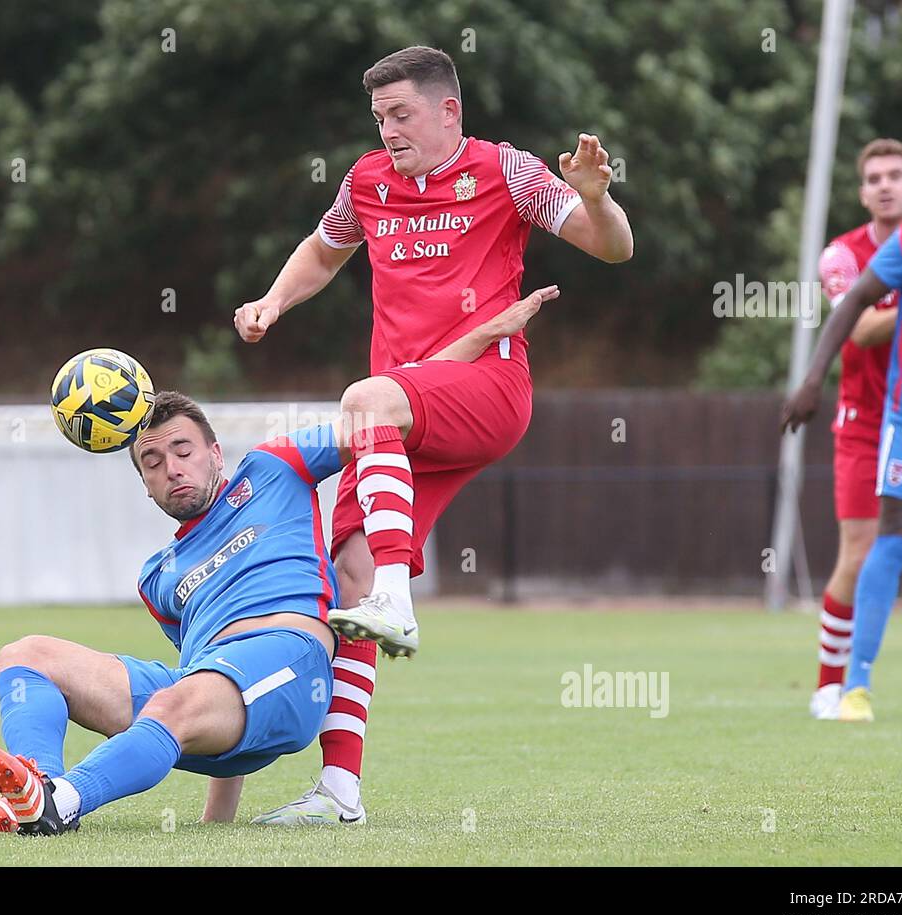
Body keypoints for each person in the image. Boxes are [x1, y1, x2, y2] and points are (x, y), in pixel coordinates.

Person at [235, 45, 632, 824]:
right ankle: (339, 791)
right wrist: (273, 302)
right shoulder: (366, 183)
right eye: (380, 117)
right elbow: (323, 251)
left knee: (365, 406)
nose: (388, 131)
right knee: (346, 576)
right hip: (393, 423)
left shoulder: (507, 172)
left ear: (449, 110)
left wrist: (598, 199)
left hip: (483, 388)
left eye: (402, 114)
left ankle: (398, 595)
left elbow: (611, 246)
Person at [0, 391, 354, 833]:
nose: (172, 468)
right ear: (144, 483)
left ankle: (59, 802)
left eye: (183, 451)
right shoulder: (158, 576)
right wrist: (217, 820)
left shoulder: (273, 470)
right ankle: (40, 786)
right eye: (153, 461)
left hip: (291, 665)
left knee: (175, 700)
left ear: (215, 453)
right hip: (218, 701)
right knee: (25, 654)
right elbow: (206, 683)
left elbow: (373, 427)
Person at [782, 166, 902, 723]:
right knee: (869, 547)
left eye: (896, 176)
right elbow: (858, 320)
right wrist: (814, 379)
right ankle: (843, 687)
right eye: (872, 178)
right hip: (900, 418)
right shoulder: (879, 247)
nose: (885, 186)